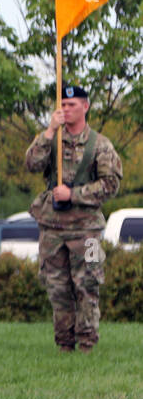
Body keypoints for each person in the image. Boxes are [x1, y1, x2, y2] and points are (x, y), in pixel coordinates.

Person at [24, 84, 122, 352]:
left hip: (87, 230)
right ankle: (64, 345)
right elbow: (31, 164)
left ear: (85, 107)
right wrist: (48, 131)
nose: (66, 110)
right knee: (57, 288)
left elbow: (111, 185)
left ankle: (87, 344)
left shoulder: (100, 145)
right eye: (63, 105)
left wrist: (74, 194)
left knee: (88, 284)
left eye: (72, 105)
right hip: (53, 228)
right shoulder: (52, 139)